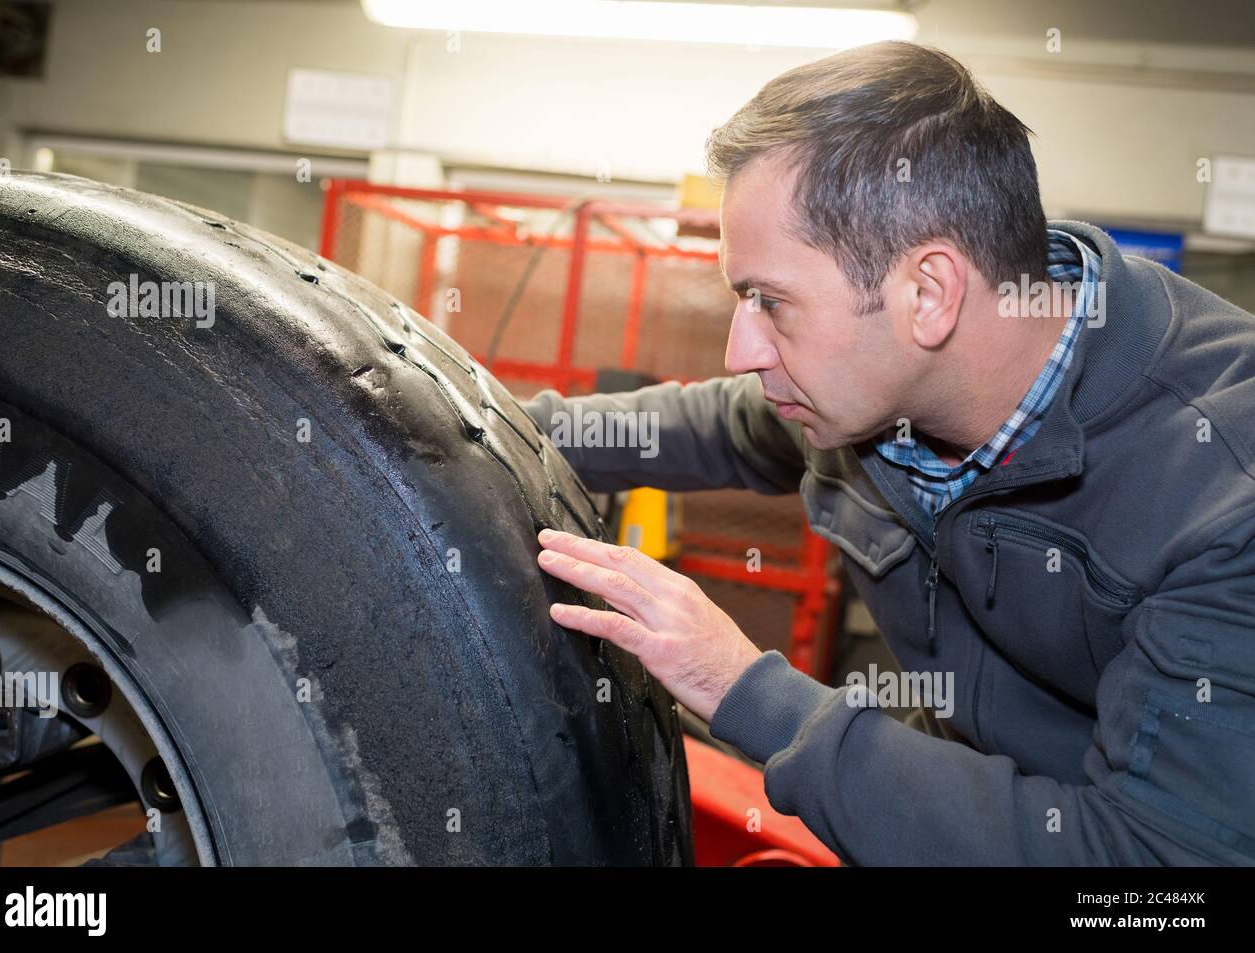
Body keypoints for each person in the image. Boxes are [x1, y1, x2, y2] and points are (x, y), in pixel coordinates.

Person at [522, 40, 1255, 865]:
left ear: (929, 293)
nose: (740, 350)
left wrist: (743, 688)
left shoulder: (1224, 496)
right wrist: (460, 418)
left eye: (771, 301)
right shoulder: (863, 396)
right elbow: (712, 425)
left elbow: (1155, 876)